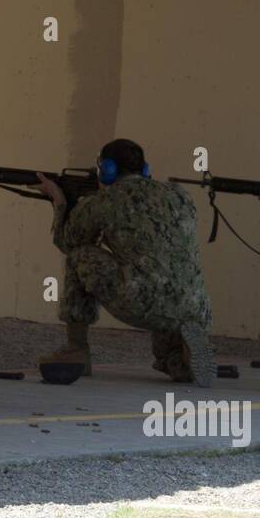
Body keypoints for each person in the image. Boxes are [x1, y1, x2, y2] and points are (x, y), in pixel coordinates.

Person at [33, 139, 214, 386]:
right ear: (146, 169)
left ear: (106, 170)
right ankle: (183, 360)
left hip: (143, 300)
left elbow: (67, 242)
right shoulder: (180, 195)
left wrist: (60, 202)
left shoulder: (106, 201)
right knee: (165, 356)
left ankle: (76, 350)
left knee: (79, 255)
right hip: (194, 307)